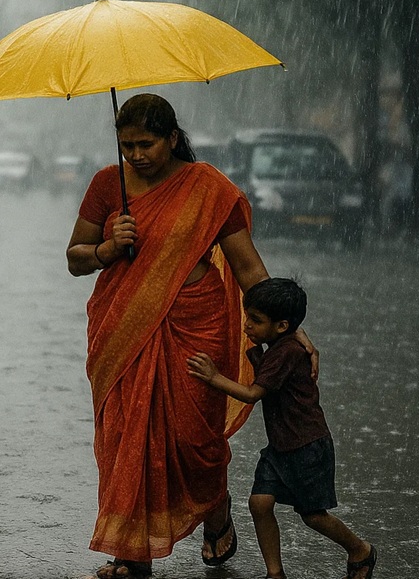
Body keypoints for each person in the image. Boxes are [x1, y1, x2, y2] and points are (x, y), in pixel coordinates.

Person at [65, 93, 316, 578]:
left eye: (146, 144)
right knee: (126, 438)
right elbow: (75, 258)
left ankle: (215, 508)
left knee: (192, 441)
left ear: (172, 138)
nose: (136, 155)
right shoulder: (106, 185)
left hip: (196, 326)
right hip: (123, 331)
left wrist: (291, 332)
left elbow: (248, 268)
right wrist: (108, 248)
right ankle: (132, 552)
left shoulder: (208, 188)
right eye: (126, 145)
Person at [186, 278, 376, 579]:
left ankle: (360, 549)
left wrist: (213, 377)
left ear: (282, 326)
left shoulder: (285, 352)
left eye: (256, 321)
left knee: (313, 516)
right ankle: (275, 573)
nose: (247, 325)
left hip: (306, 445)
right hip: (280, 446)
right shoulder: (277, 344)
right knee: (259, 504)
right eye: (248, 317)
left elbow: (253, 394)